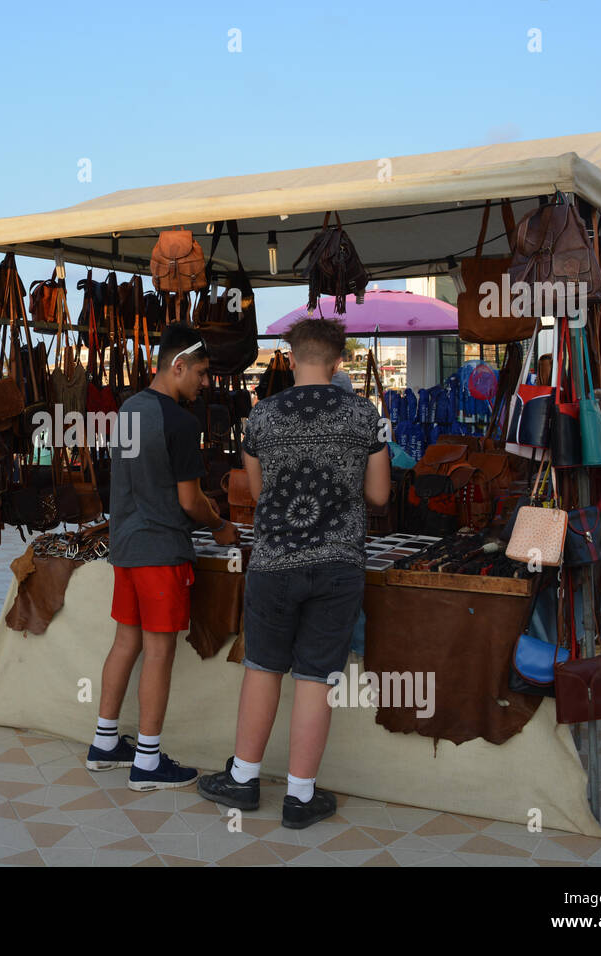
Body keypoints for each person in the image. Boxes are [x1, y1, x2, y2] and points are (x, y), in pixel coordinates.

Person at [196, 318, 390, 829]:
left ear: (291, 354)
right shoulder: (364, 414)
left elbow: (257, 494)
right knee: (314, 678)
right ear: (339, 360)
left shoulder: (262, 417)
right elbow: (380, 495)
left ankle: (243, 780)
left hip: (275, 562)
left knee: (262, 668)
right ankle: (300, 798)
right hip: (339, 565)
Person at [84, 326, 239, 792]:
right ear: (178, 366)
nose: (205, 382)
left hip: (127, 548)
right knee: (158, 652)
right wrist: (220, 525)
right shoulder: (181, 423)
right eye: (202, 373)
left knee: (125, 643)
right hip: (160, 552)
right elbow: (190, 502)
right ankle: (147, 762)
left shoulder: (128, 410)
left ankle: (104, 743)